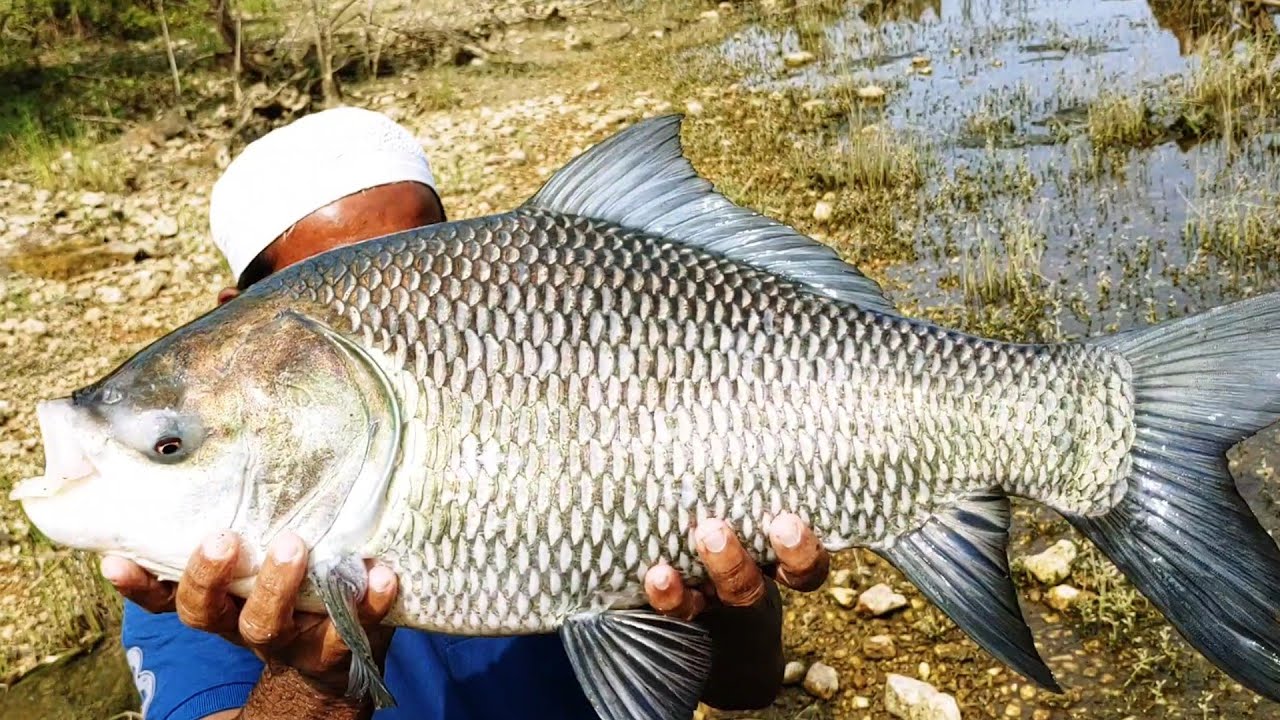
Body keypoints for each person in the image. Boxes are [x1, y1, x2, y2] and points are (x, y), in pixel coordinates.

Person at [103, 107, 832, 720]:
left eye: (415, 257)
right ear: (244, 320)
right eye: (340, 287)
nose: (395, 306)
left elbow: (747, 684)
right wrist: (314, 679)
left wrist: (729, 593)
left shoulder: (588, 417)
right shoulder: (197, 548)